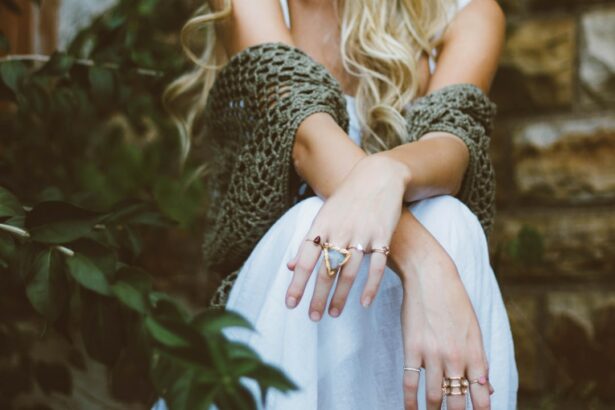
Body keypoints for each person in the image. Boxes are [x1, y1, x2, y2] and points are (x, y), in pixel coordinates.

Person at [160, 0, 519, 409]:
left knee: (450, 218)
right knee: (313, 217)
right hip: (291, 300)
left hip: (392, 314)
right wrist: (425, 263)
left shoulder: (465, 12)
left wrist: (386, 172)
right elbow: (305, 138)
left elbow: (452, 148)